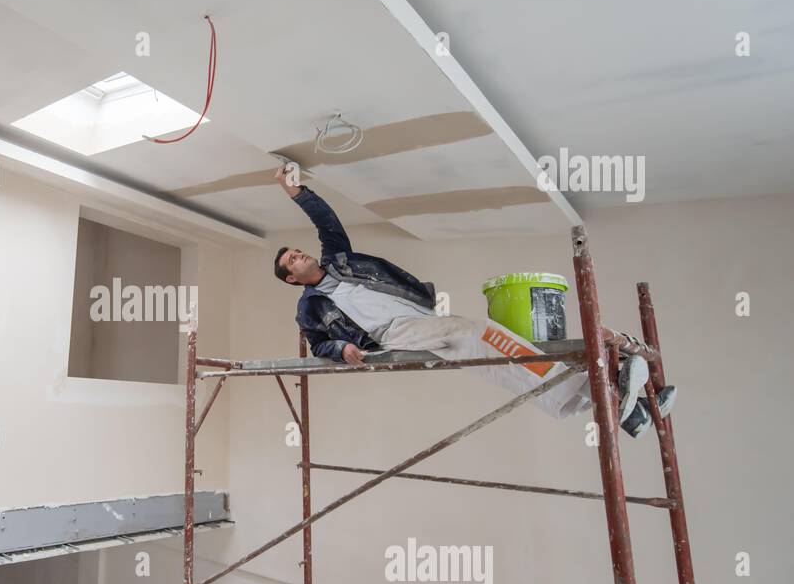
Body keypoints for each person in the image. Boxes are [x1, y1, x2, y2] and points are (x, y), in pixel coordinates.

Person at [271, 166, 674, 436]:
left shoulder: (339, 260)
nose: (299, 255)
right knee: (476, 331)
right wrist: (341, 347)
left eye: (296, 250)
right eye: (291, 260)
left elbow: (327, 223)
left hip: (420, 316)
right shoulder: (309, 307)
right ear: (292, 278)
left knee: (497, 354)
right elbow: (317, 342)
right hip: (390, 334)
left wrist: (297, 193)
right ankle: (609, 397)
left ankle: (629, 408)